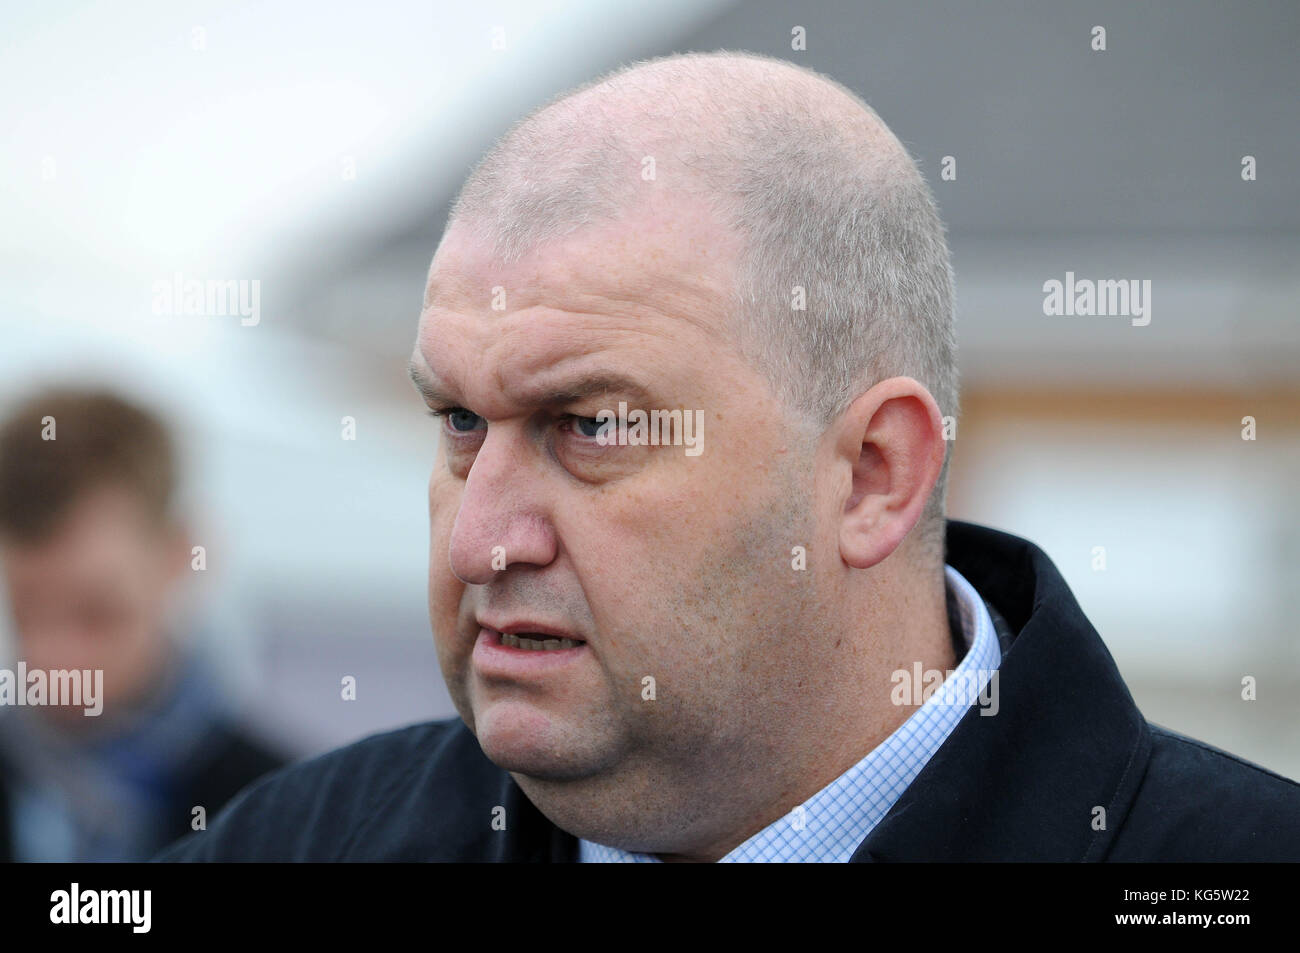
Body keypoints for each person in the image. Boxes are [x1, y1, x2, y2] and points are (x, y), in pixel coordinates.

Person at [156, 51, 1298, 862]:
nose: (480, 535)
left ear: (870, 476)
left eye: (591, 425)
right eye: (459, 421)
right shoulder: (297, 839)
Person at [0, 388, 285, 861]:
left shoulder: (289, 811)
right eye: (25, 612)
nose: (55, 662)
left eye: (98, 615)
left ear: (182, 553)